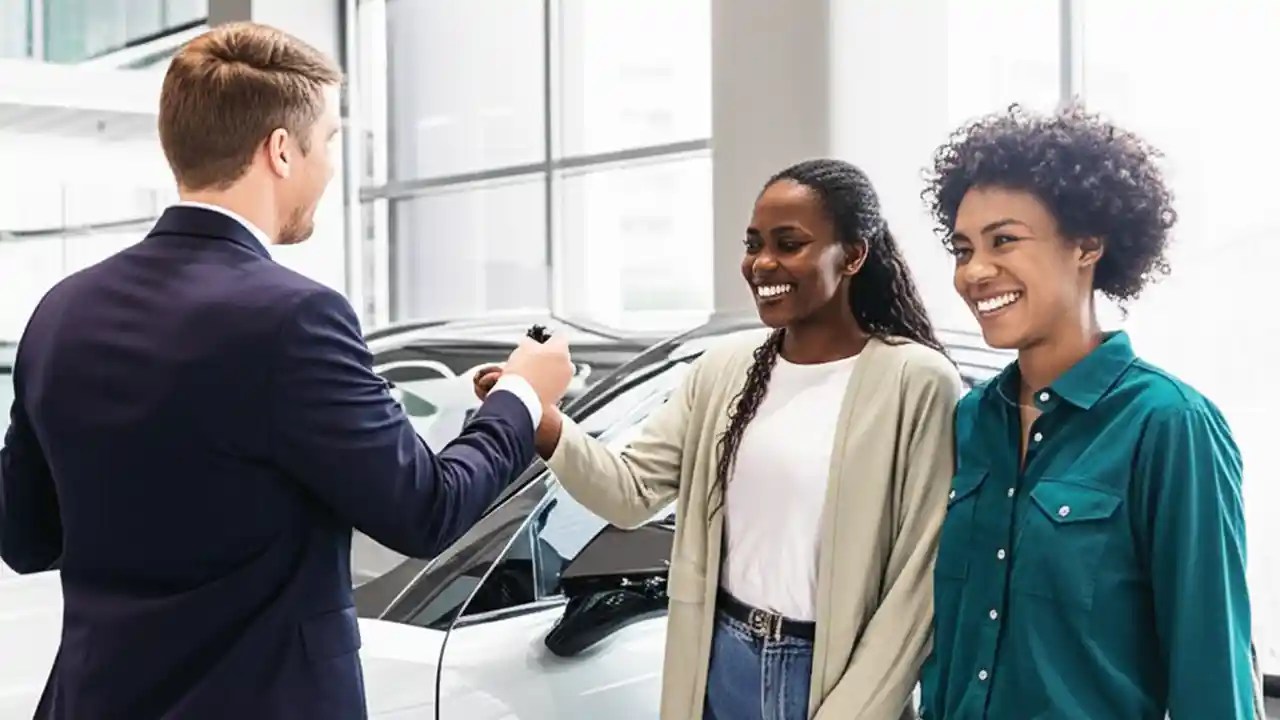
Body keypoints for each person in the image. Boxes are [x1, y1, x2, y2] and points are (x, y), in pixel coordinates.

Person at [0, 22, 572, 720]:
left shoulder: (62, 312)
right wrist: (520, 393)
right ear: (279, 150)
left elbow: (26, 540)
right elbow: (427, 511)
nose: (330, 165)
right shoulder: (294, 318)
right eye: (328, 140)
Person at [476, 159, 964, 720]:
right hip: (719, 661)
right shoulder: (724, 370)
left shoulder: (916, 381)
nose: (762, 263)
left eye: (790, 243)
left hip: (829, 680)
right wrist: (542, 419)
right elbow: (629, 493)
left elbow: (918, 587)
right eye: (754, 243)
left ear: (853, 255)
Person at [918, 104, 1256, 719]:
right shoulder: (969, 420)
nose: (974, 272)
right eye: (963, 249)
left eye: (1005, 240)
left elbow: (1212, 671)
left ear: (1088, 245)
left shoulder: (1169, 425)